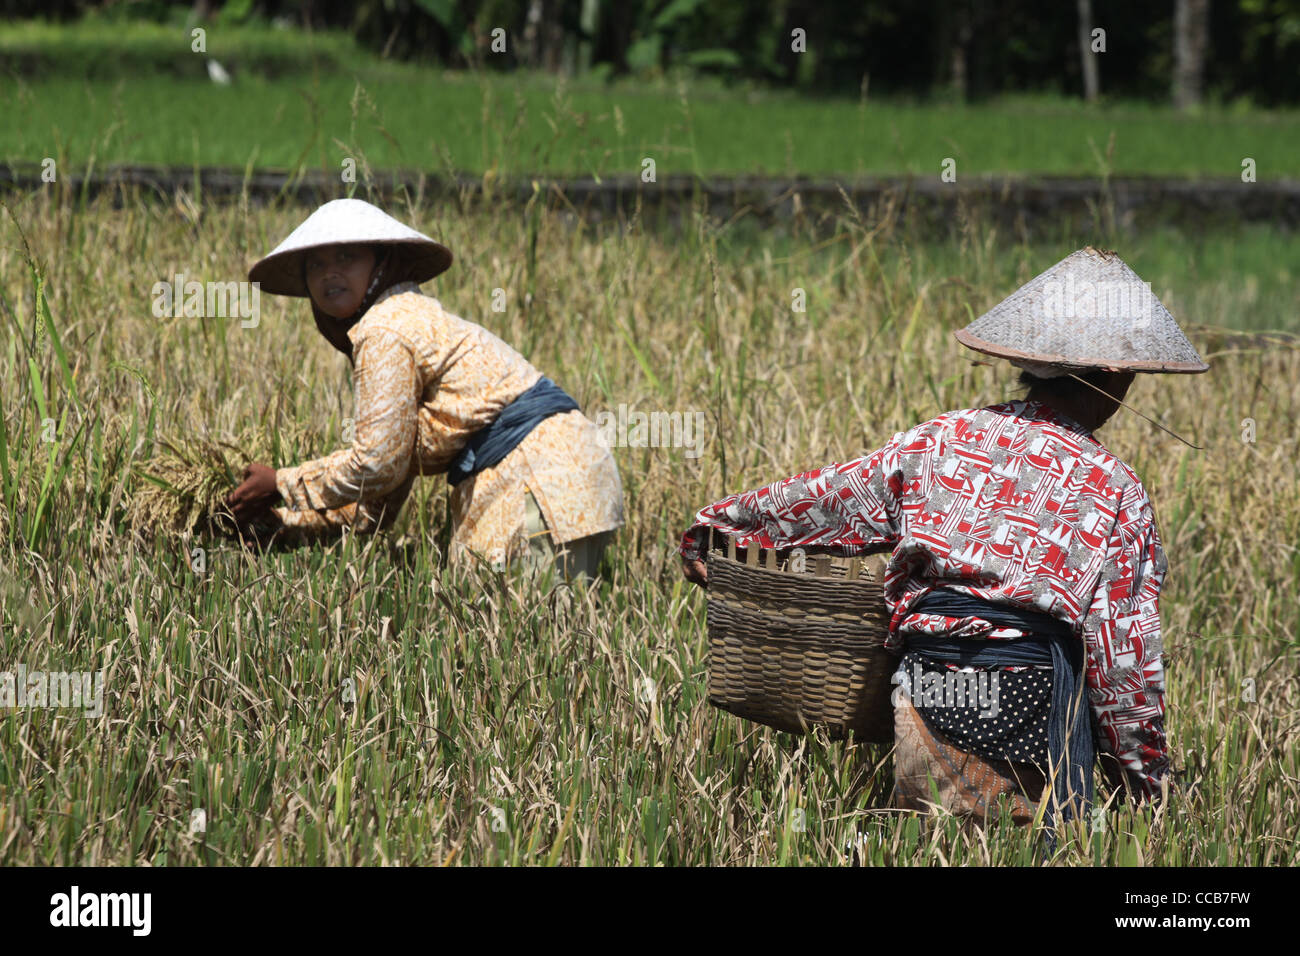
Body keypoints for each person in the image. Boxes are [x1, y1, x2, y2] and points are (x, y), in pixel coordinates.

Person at [680, 247, 1209, 827]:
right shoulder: (1114, 486)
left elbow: (826, 500)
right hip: (1029, 695)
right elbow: (1123, 659)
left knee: (932, 841)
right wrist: (1146, 778)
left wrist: (717, 526)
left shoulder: (942, 439)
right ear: (1114, 374)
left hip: (926, 689)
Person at [225, 198, 623, 579]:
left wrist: (281, 483)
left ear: (382, 262)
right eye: (316, 264)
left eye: (347, 257)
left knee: (509, 625)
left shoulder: (384, 330)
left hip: (536, 478)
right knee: (526, 633)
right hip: (568, 474)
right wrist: (281, 525)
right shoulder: (402, 321)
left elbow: (376, 464)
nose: (330, 272)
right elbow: (376, 499)